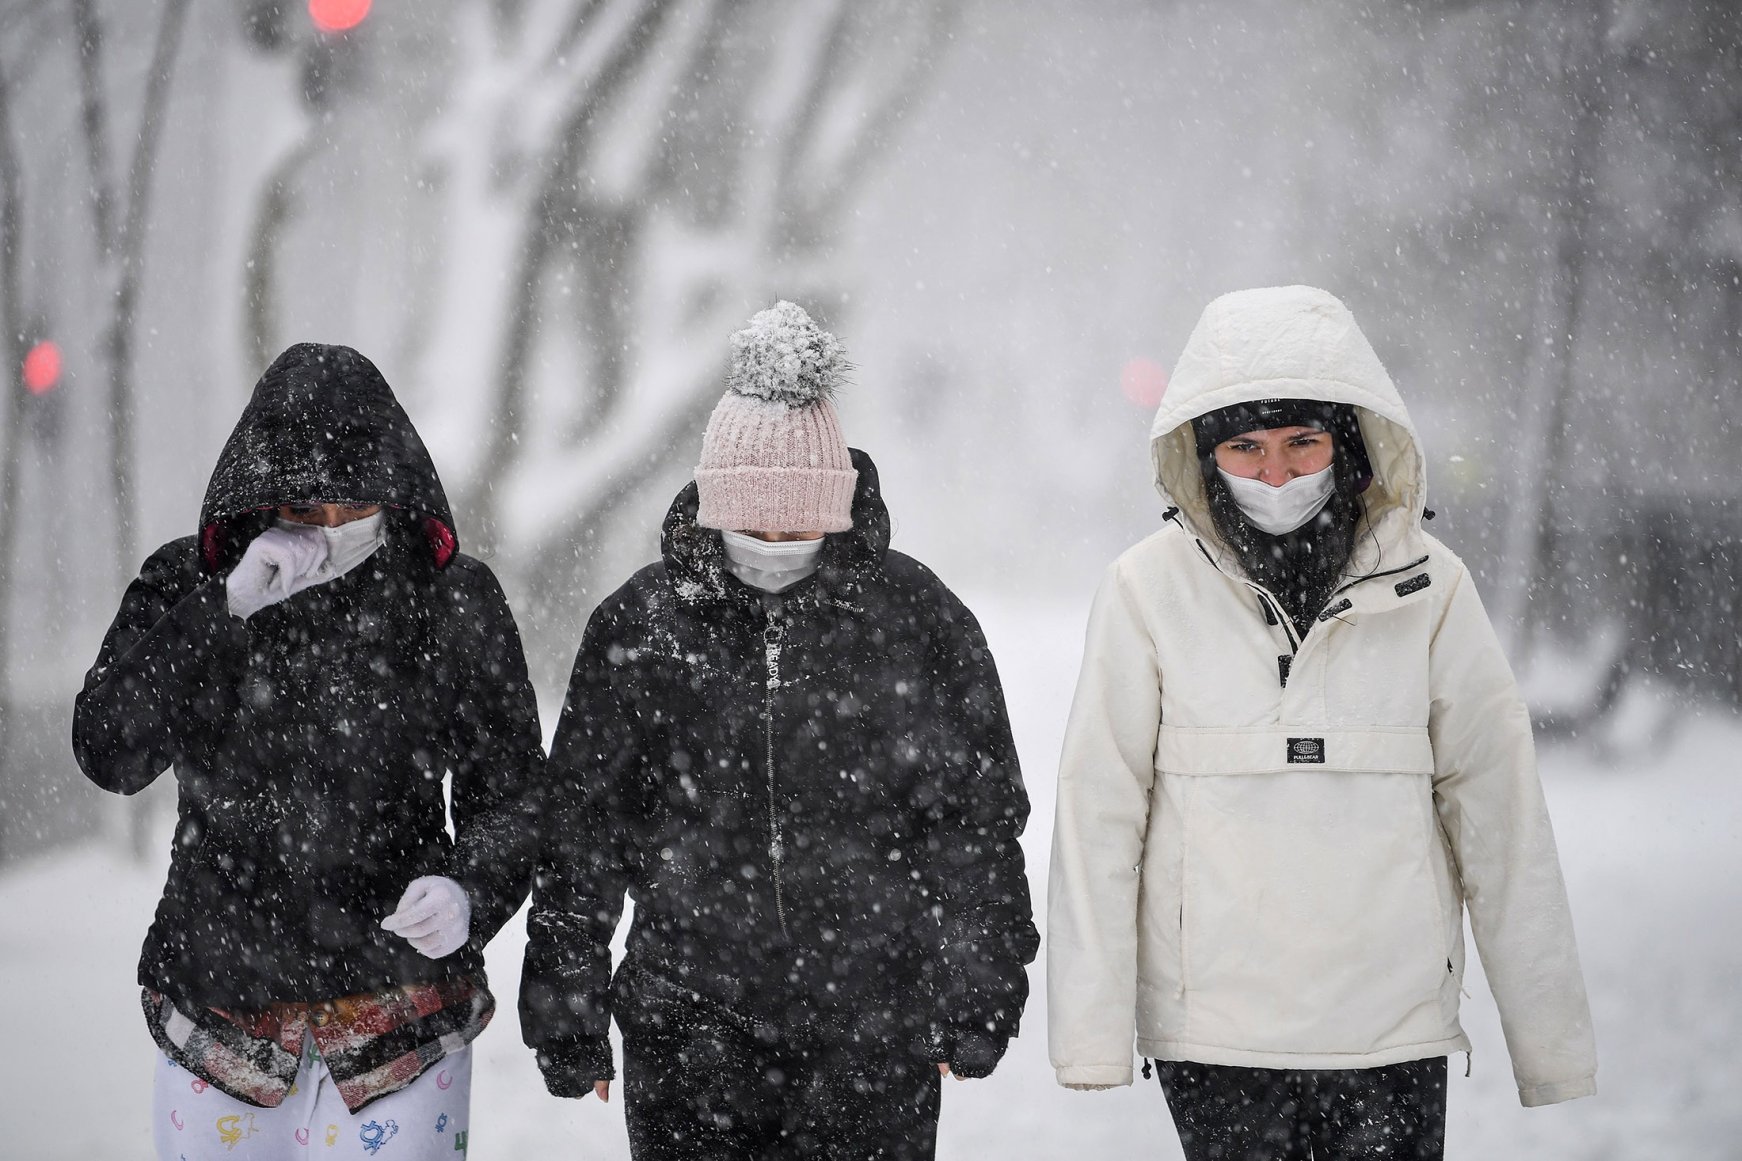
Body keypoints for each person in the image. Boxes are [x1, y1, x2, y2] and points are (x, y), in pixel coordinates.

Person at [1047, 286, 1597, 1159]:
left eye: (1302, 441)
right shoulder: (1145, 590)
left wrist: (1549, 1040)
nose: (1275, 474)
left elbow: (1502, 815)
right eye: (1246, 446)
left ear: (1349, 441)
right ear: (1204, 451)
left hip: (1390, 1031)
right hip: (1218, 1037)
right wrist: (1091, 1031)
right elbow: (1099, 811)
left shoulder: (1433, 589)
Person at [520, 301, 1039, 1160]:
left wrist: (981, 983)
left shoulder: (916, 620)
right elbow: (582, 827)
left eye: (797, 526)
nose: (772, 545)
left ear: (836, 513)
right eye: (751, 526)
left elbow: (974, 821)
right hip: (685, 1027)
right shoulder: (640, 626)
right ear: (711, 510)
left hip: (875, 1031)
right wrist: (567, 998)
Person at [72, 342, 544, 1160]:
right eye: (303, 509)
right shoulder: (186, 583)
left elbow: (513, 793)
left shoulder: (453, 602)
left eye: (349, 507)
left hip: (403, 1018)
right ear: (259, 501)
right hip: (220, 1016)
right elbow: (110, 748)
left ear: (393, 495)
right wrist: (224, 612)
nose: (327, 532)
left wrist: (471, 891)